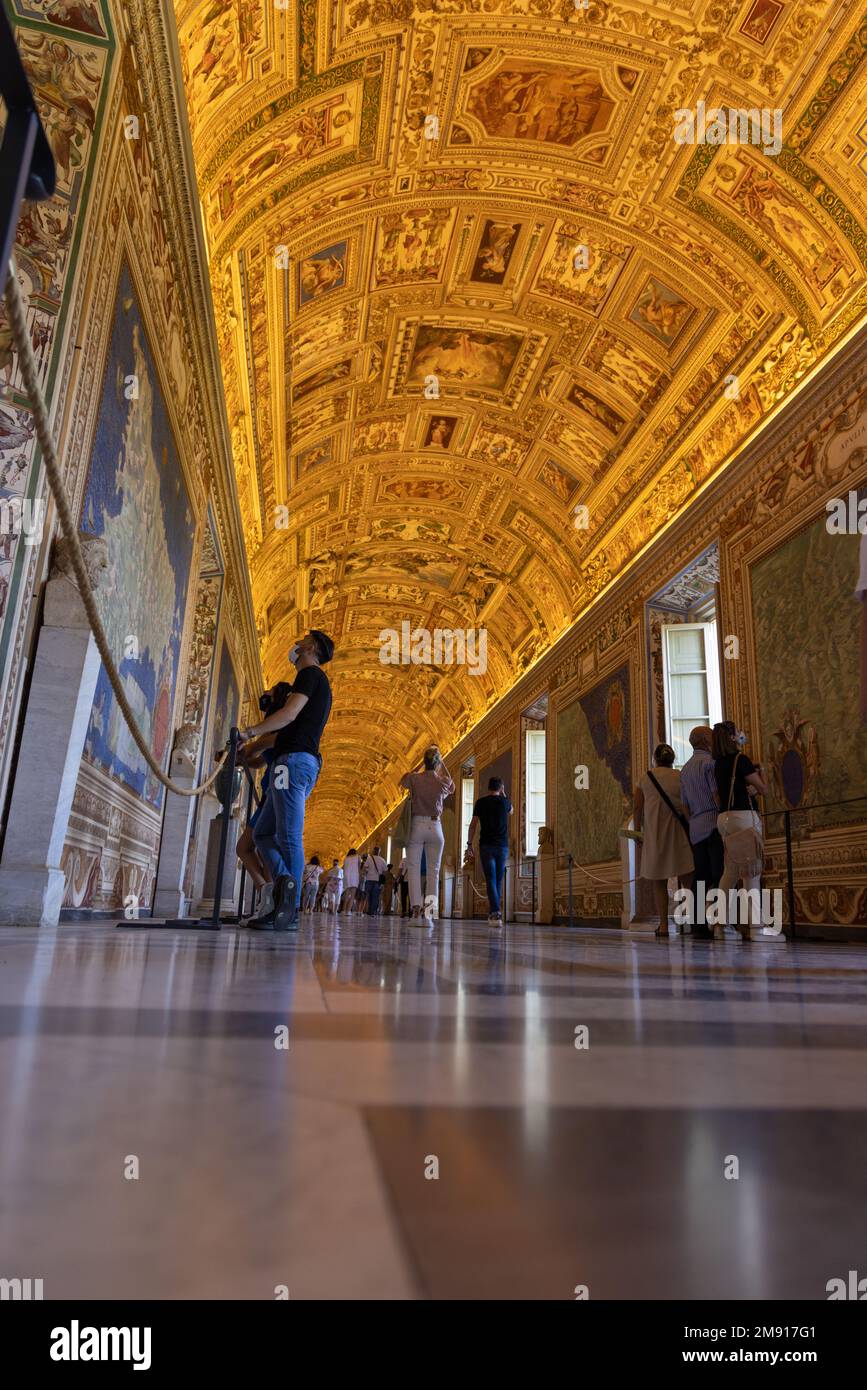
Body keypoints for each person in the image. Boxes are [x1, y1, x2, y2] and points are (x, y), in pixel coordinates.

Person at [242, 630, 334, 931]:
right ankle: (285, 888)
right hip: (288, 763)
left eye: (303, 639)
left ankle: (290, 910)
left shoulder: (310, 674)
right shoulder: (311, 679)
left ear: (312, 647)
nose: (296, 643)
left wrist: (250, 731)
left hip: (293, 763)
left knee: (289, 837)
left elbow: (289, 714)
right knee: (263, 835)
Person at [236, 682, 292, 924]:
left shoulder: (282, 725)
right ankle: (267, 896)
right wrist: (243, 760)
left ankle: (270, 898)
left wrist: (248, 748)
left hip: (276, 792)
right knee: (251, 848)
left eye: (268, 694)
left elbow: (266, 745)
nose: (264, 696)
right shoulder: (270, 726)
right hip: (270, 789)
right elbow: (261, 762)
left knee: (255, 846)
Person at [713, 720, 769, 939]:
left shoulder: (718, 764)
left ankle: (720, 924)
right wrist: (762, 770)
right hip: (744, 817)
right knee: (752, 871)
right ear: (732, 738)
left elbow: (723, 792)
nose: (741, 734)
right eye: (737, 732)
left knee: (730, 872)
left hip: (724, 819)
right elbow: (763, 789)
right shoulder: (741, 760)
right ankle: (756, 927)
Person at [633, 744, 694, 937]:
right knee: (686, 878)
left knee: (659, 881)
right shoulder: (680, 776)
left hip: (655, 834)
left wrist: (637, 832)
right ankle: (689, 923)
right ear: (672, 759)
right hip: (679, 831)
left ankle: (664, 926)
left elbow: (637, 808)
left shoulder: (646, 778)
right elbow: (688, 804)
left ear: (655, 759)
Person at [400, 747, 454, 926]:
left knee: (413, 869)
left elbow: (403, 780)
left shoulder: (415, 779)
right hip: (435, 826)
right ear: (437, 763)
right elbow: (452, 787)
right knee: (434, 872)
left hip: (416, 825)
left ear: (424, 762)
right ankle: (429, 915)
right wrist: (442, 764)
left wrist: (417, 768)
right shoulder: (442, 781)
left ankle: (415, 912)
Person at [678, 726, 722, 940]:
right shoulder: (709, 764)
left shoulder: (685, 769)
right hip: (714, 823)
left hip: (696, 827)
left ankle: (697, 924)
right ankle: (726, 922)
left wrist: (693, 822)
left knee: (700, 878)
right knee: (720, 874)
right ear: (706, 740)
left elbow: (684, 805)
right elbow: (716, 794)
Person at [465, 776, 512, 927]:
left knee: (491, 878)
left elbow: (473, 825)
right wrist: (504, 794)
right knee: (497, 880)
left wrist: (469, 844)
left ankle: (495, 912)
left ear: (488, 787)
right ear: (500, 788)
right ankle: (495, 913)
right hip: (502, 846)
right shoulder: (505, 802)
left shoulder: (481, 802)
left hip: (486, 846)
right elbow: (511, 811)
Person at [363, 845, 387, 915]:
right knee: (375, 896)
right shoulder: (382, 860)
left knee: (369, 896)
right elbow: (385, 871)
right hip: (377, 881)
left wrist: (365, 873)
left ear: (373, 851)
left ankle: (370, 910)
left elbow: (364, 868)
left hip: (369, 879)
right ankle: (373, 911)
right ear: (379, 852)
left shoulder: (369, 859)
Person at [341, 848, 361, 913]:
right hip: (354, 876)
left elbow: (343, 868)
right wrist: (360, 877)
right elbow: (359, 868)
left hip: (347, 877)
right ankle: (348, 911)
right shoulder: (358, 857)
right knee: (352, 895)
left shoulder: (346, 858)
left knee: (347, 894)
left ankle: (343, 910)